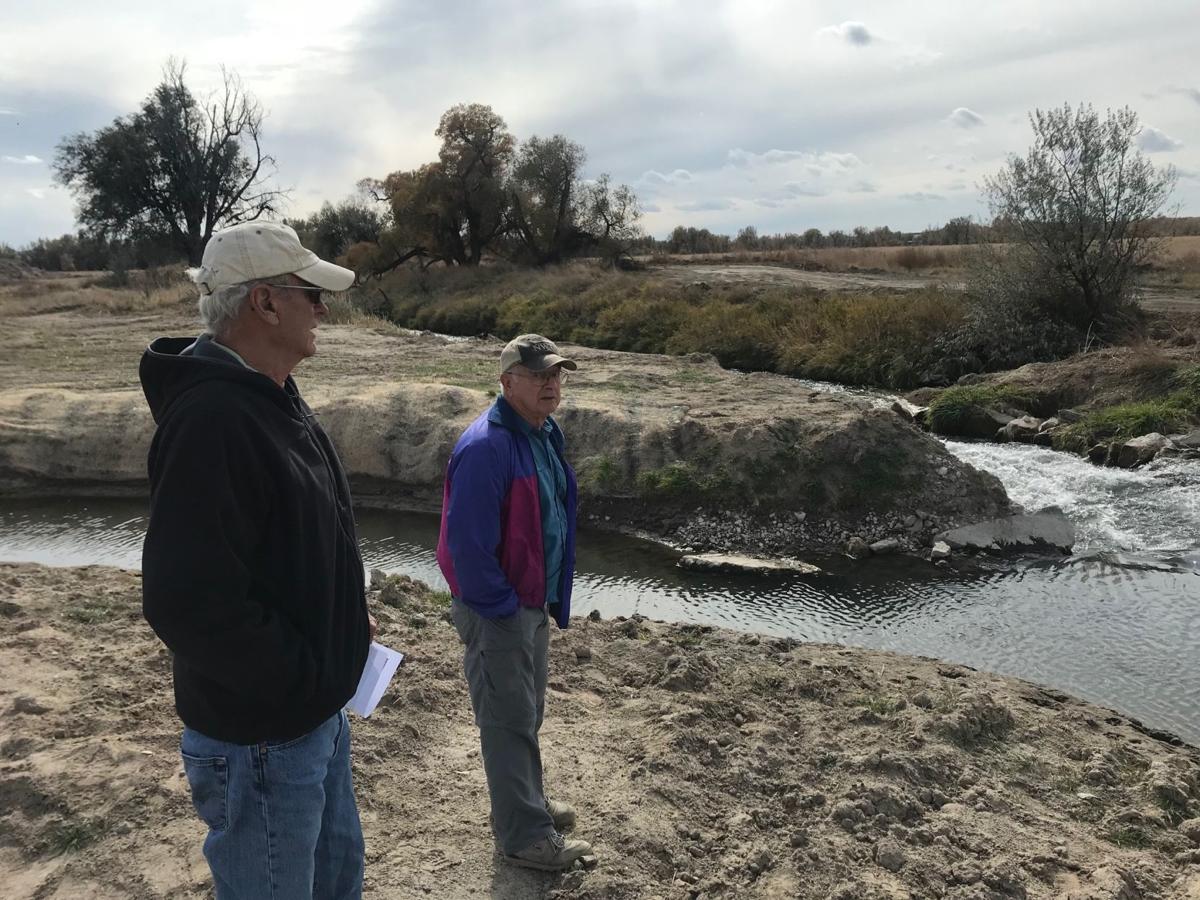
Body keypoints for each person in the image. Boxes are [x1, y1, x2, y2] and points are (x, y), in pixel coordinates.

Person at [139, 221, 374, 900]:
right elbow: (187, 601)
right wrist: (302, 680)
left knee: (336, 885)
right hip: (263, 742)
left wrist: (339, 623)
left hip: (308, 721)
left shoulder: (272, 395)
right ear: (264, 303)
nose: (322, 309)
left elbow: (291, 542)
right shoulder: (213, 420)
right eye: (311, 294)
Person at [437, 333, 594, 871]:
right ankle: (525, 836)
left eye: (557, 373)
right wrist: (502, 607)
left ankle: (526, 803)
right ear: (507, 383)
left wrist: (542, 598)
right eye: (539, 375)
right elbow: (465, 548)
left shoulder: (542, 432)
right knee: (507, 721)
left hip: (530, 603)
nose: (552, 383)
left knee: (527, 712)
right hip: (499, 608)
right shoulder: (485, 447)